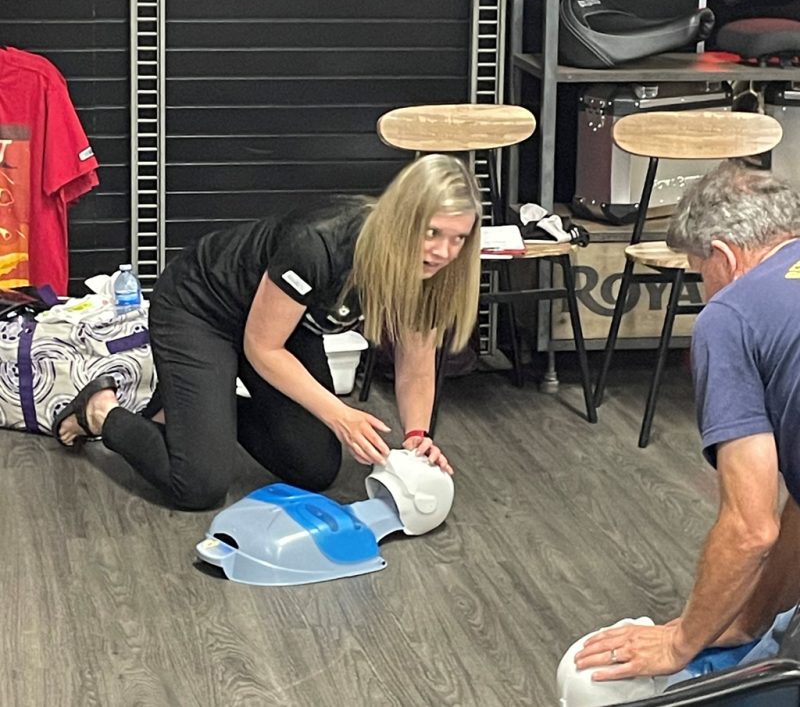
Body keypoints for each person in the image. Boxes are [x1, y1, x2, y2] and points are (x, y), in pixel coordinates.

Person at [52, 153, 483, 509]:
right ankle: (99, 409)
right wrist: (340, 413)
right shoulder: (320, 244)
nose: (444, 252)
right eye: (432, 233)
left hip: (283, 325)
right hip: (202, 307)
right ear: (403, 219)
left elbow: (416, 367)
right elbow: (262, 347)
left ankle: (205, 410)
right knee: (199, 486)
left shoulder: (435, 273)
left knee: (315, 468)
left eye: (458, 238)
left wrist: (416, 438)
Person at [574, 161, 800, 681]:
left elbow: (750, 527)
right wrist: (748, 620)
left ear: (723, 255)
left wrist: (679, 642)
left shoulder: (732, 314)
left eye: (699, 271)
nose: (703, 288)